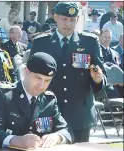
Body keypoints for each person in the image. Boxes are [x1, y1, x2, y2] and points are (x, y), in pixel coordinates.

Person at [30, 2, 106, 143]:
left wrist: (97, 79)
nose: (68, 24)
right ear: (56, 17)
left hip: (79, 114)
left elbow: (101, 79)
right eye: (64, 19)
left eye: (72, 20)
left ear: (77, 20)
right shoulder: (41, 42)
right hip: (48, 113)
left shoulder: (89, 42)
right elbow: (31, 76)